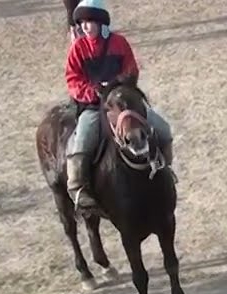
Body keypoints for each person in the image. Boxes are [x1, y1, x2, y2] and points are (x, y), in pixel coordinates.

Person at [65, 0, 174, 210]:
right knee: (83, 139)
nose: (85, 27)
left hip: (123, 102)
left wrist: (117, 87)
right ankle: (78, 187)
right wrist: (92, 93)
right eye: (82, 23)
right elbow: (73, 80)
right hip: (94, 106)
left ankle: (165, 170)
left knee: (163, 128)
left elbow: (131, 69)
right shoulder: (78, 48)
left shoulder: (119, 43)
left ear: (101, 22)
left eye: (89, 22)